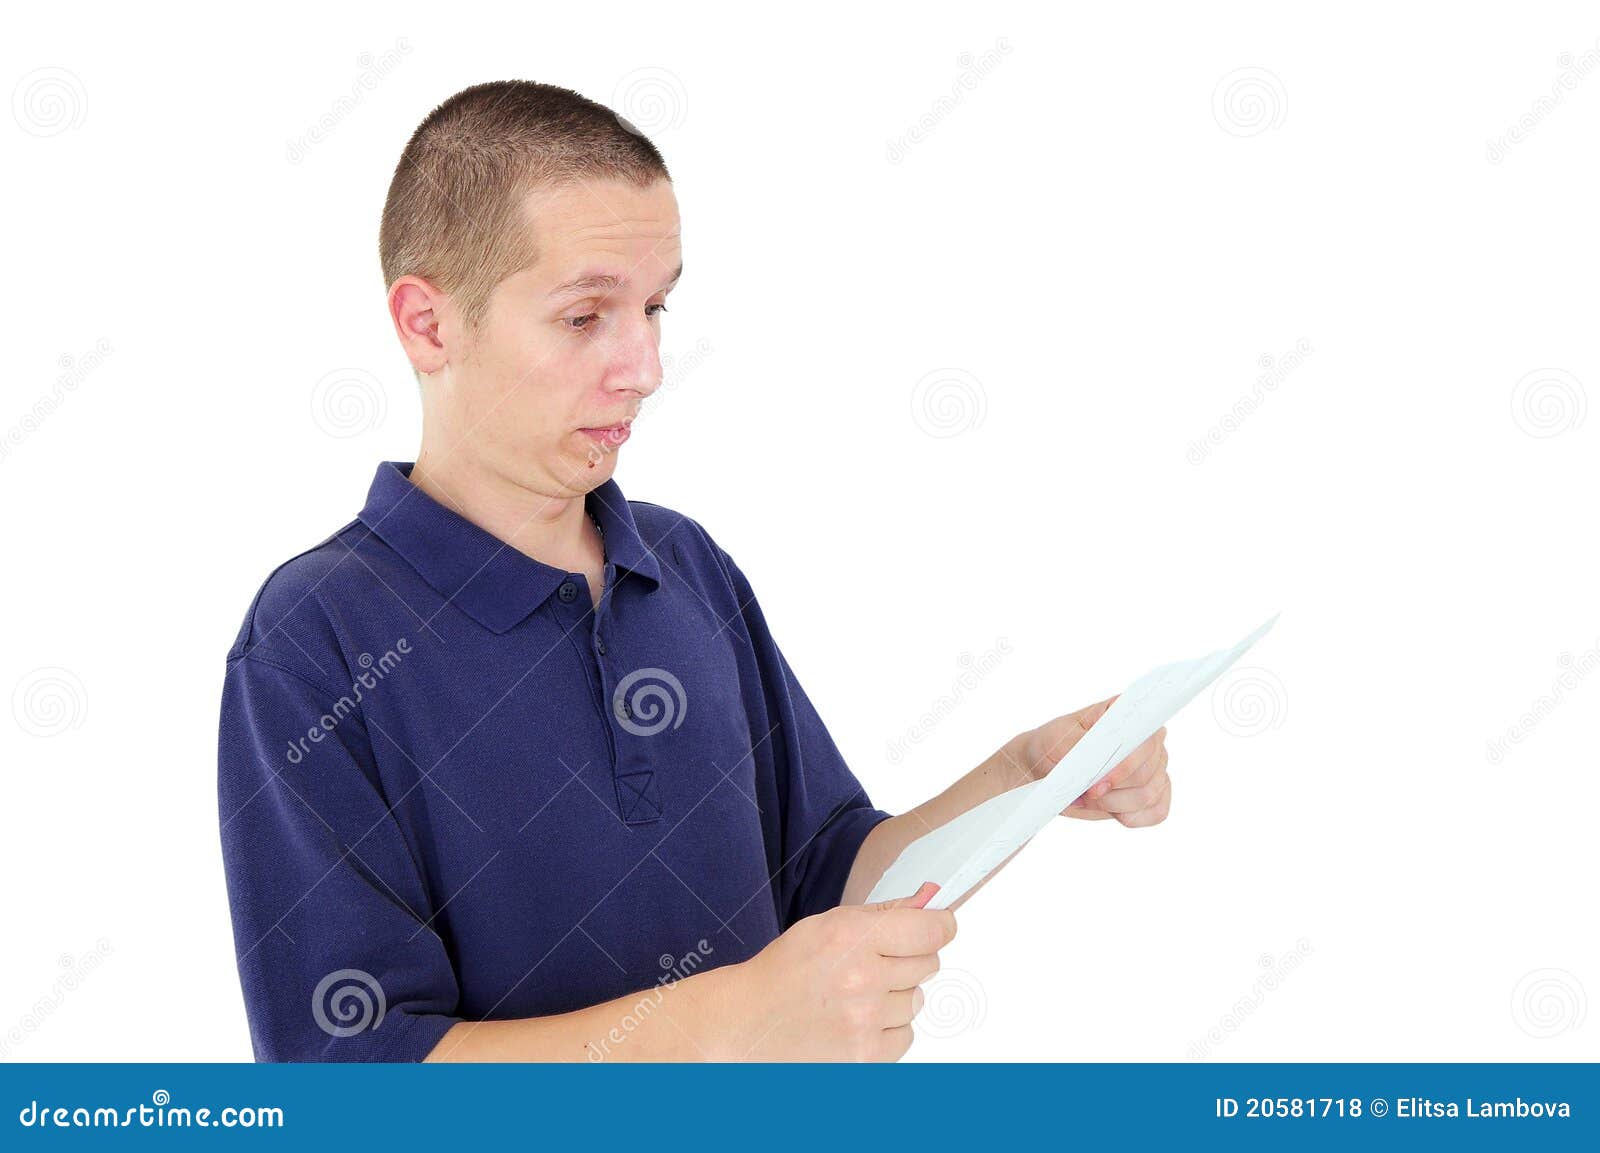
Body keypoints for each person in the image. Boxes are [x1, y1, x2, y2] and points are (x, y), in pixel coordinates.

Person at [217, 80, 1172, 1063]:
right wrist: (729, 1024)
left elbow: (826, 881)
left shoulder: (684, 568)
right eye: (586, 316)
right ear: (427, 324)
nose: (644, 366)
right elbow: (348, 1077)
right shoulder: (314, 640)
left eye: (655, 305)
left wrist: (1026, 777)